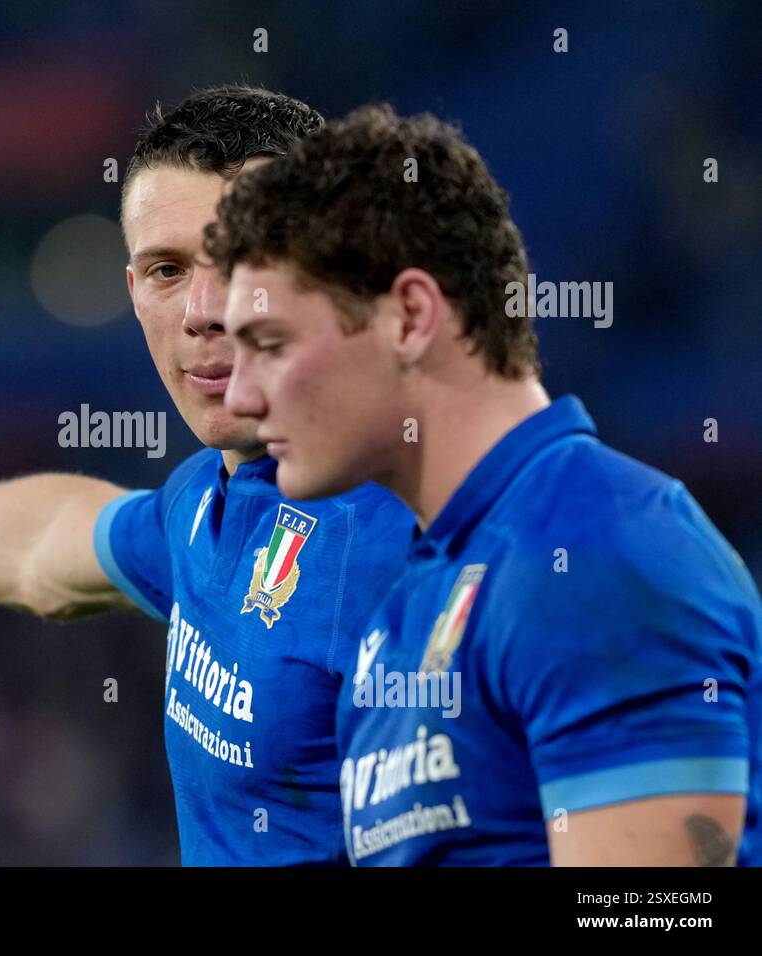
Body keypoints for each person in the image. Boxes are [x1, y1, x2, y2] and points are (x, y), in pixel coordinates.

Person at [0, 87, 415, 865]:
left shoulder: (400, 545)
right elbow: (45, 546)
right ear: (133, 293)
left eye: (242, 261)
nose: (203, 309)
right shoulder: (207, 503)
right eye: (167, 269)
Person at [207, 102, 762, 865]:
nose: (239, 397)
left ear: (409, 316)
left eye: (270, 345)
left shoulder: (597, 553)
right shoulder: (407, 606)